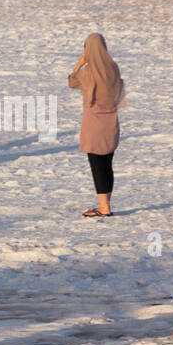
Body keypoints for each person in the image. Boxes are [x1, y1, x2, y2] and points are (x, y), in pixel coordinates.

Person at [67, 32, 124, 217]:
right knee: (107, 164)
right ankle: (106, 203)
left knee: (97, 164)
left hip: (94, 124)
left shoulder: (89, 72)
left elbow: (72, 82)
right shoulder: (113, 68)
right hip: (112, 122)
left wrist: (80, 63)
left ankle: (104, 207)